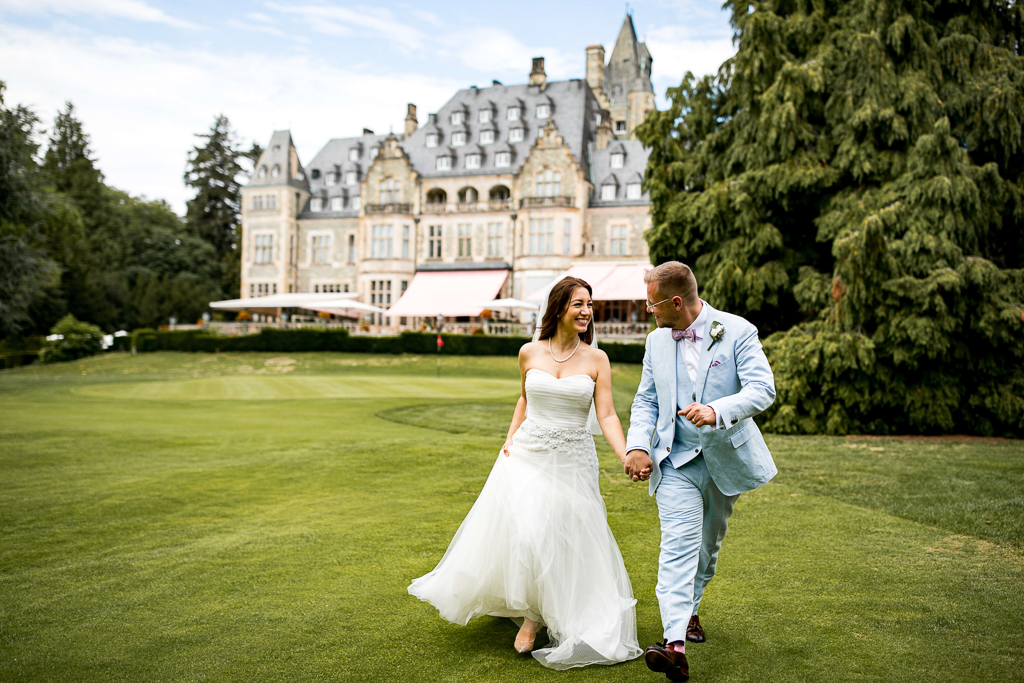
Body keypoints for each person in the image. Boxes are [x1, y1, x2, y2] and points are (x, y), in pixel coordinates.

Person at [408, 276, 644, 670]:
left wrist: (625, 454)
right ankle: (531, 616)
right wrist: (509, 439)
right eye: (578, 304)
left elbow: (605, 414)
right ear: (559, 309)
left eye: (590, 304)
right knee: (531, 530)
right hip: (527, 452)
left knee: (561, 532)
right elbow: (524, 399)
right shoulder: (529, 352)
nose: (587, 311)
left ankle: (538, 616)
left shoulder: (596, 359)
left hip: (572, 458)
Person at [621, 262, 777, 682]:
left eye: (652, 304)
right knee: (677, 546)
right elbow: (646, 401)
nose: (648, 311)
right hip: (675, 461)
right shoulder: (655, 342)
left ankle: (690, 610)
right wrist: (638, 445)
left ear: (675, 301)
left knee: (707, 548)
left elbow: (762, 389)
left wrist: (716, 411)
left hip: (725, 460)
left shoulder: (737, 330)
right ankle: (674, 645)